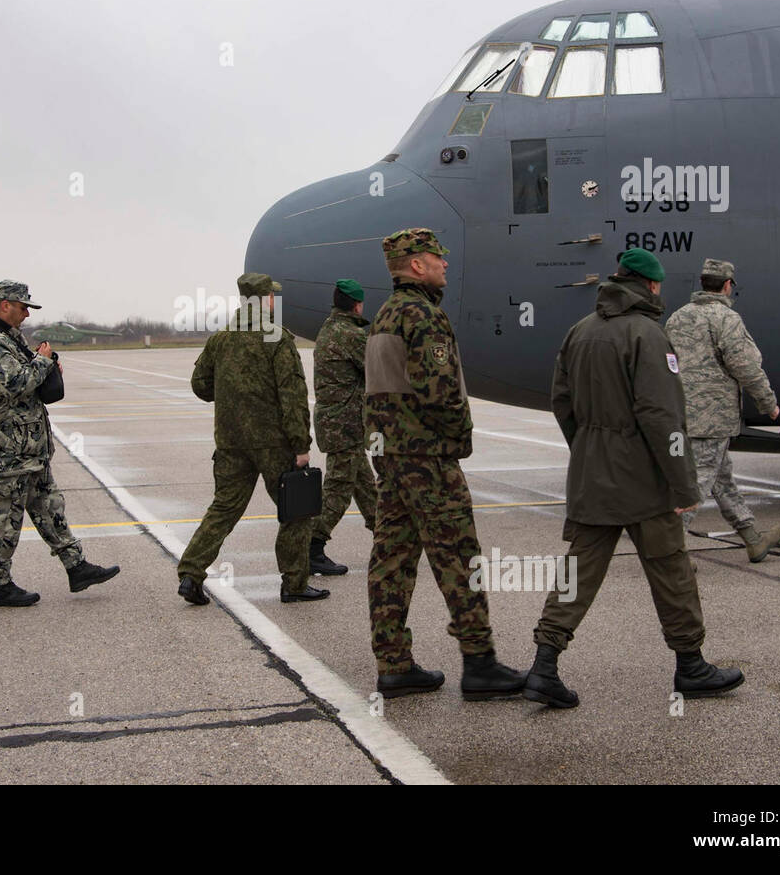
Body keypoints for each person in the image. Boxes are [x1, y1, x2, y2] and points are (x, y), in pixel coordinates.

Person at [523, 248, 744, 709]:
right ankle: (691, 666)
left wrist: (588, 448)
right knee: (671, 570)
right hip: (643, 481)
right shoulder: (648, 335)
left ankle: (544, 665)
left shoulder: (579, 331)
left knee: (577, 572)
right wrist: (684, 485)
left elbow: (561, 402)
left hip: (592, 474)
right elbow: (663, 418)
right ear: (652, 287)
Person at [364, 230, 525, 700]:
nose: (445, 265)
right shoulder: (423, 316)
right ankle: (479, 664)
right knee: (458, 557)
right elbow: (440, 394)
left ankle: (393, 664)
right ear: (417, 265)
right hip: (427, 460)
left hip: (391, 457)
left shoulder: (383, 316)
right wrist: (458, 439)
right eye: (438, 258)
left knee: (391, 560)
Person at [177, 273, 329, 605]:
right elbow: (292, 396)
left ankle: (191, 573)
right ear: (265, 301)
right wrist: (301, 446)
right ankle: (294, 583)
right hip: (273, 443)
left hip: (231, 442)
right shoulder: (277, 338)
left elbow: (200, 386)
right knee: (298, 512)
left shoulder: (221, 339)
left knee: (224, 508)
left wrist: (233, 394)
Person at [0, 281, 119, 607]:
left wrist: (46, 364)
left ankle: (76, 566)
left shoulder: (10, 340)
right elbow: (15, 383)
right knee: (5, 514)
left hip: (29, 447)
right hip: (8, 448)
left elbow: (32, 381)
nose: (26, 313)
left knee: (49, 505)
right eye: (23, 307)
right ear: (4, 305)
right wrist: (42, 362)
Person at [665, 258, 780, 562]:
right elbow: (746, 366)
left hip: (682, 413)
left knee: (721, 478)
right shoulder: (726, 318)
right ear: (728, 285)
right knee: (698, 484)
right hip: (713, 418)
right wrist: (768, 403)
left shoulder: (677, 318)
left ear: (702, 283)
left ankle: (753, 538)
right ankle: (670, 553)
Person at [310, 278, 377, 576]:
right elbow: (378, 368)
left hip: (336, 421)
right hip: (345, 424)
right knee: (339, 487)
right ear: (357, 304)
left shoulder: (329, 328)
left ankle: (389, 540)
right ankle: (312, 546)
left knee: (365, 485)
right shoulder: (350, 334)